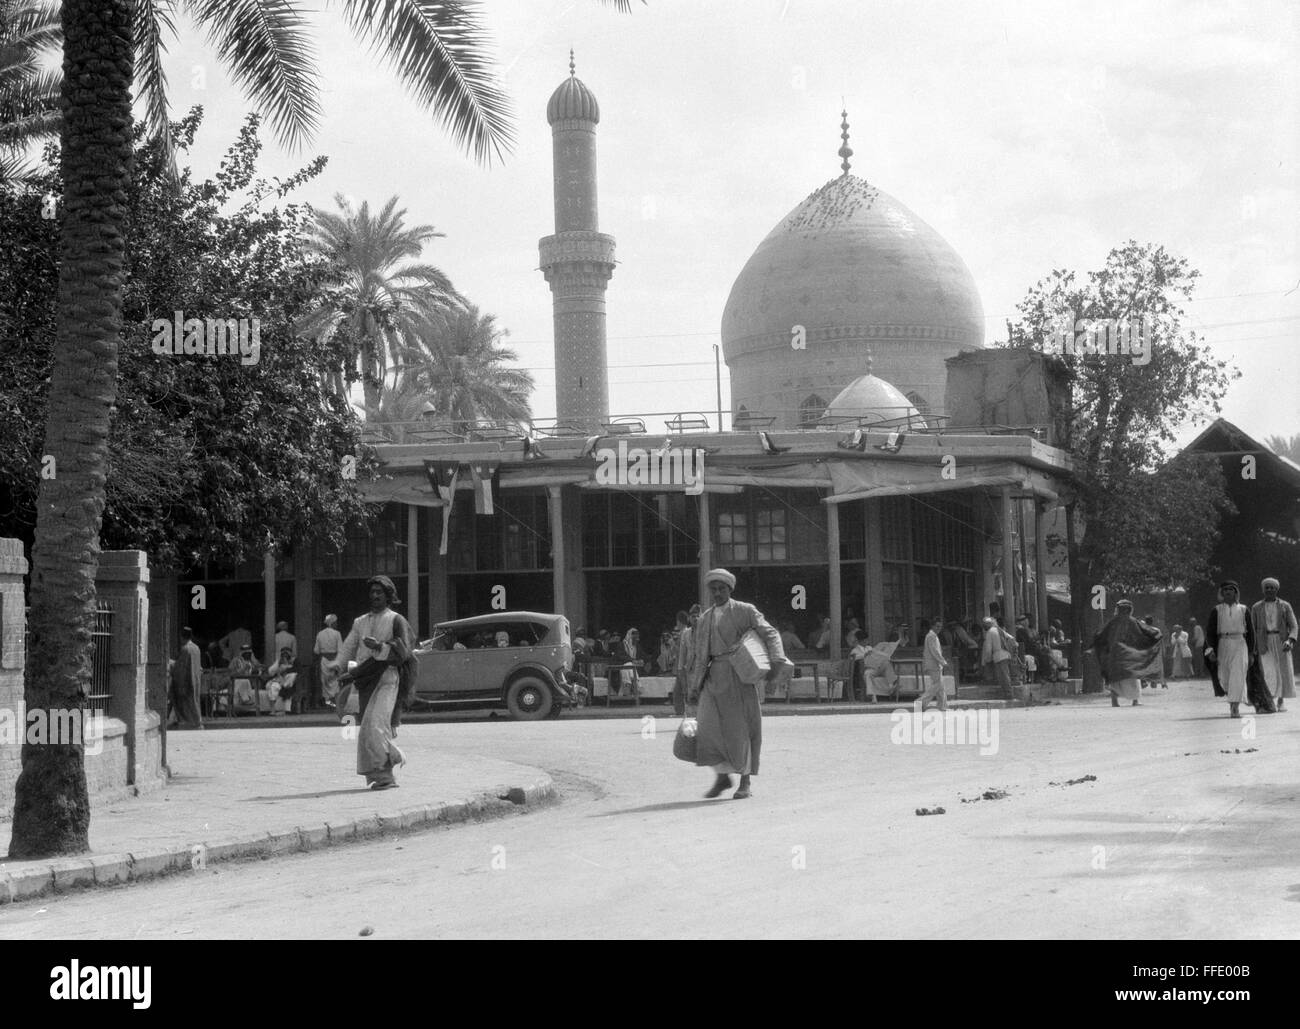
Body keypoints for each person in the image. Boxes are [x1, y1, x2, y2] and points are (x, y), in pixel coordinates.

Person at [686, 569, 785, 800]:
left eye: (722, 589)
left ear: (730, 589)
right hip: (713, 678)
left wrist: (776, 663)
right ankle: (722, 776)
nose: (718, 593)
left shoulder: (745, 611)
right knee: (708, 729)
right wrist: (694, 687)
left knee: (741, 730)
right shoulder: (704, 618)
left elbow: (770, 634)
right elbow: (701, 656)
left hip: (740, 674)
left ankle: (745, 781)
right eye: (714, 589)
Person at [333, 575, 418, 789]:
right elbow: (349, 646)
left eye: (380, 592)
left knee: (377, 725)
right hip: (365, 680)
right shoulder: (360, 622)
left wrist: (380, 646)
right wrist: (337, 665)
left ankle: (387, 774)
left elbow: (404, 651)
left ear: (388, 595)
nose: (375, 595)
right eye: (372, 592)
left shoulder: (396, 620)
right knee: (367, 729)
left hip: (388, 678)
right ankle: (377, 775)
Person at [1092, 600, 1161, 708]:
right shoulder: (1132, 621)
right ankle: (1135, 701)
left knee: (1116, 679)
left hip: (1114, 653)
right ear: (1129, 610)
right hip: (1128, 653)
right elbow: (1142, 633)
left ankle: (1114, 702)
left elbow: (1102, 634)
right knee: (1133, 675)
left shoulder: (1113, 621)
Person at [1204, 580, 1255, 719]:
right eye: (1225, 589)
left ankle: (1235, 706)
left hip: (1240, 643)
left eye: (1230, 589)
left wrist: (1251, 652)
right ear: (1222, 593)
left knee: (1238, 674)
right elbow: (1209, 632)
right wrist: (1210, 650)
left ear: (1235, 592)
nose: (1228, 592)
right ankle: (1232, 699)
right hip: (1223, 644)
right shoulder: (1217, 610)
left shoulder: (1244, 609)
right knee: (1225, 676)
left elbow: (1251, 632)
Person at [1251, 577, 1297, 712]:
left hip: (1281, 641)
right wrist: (1253, 646)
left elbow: (1294, 625)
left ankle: (1281, 700)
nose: (1269, 590)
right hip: (1264, 641)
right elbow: (1252, 628)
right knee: (1268, 670)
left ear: (1277, 589)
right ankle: (1269, 700)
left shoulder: (1285, 605)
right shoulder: (1256, 607)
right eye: (1267, 587)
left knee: (1283, 670)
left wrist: (1290, 640)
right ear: (1263, 590)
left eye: (1272, 587)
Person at [168, 627, 204, 729]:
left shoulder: (185, 649)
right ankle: (197, 721)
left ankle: (189, 722)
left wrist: (171, 664)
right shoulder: (196, 648)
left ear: (181, 637)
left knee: (187, 703)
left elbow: (180, 667)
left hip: (186, 681)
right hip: (195, 680)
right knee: (194, 701)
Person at [672, 604, 701, 716]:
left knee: (702, 698)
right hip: (689, 670)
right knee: (689, 697)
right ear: (689, 618)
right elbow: (682, 654)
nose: (696, 618)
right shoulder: (686, 633)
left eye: (698, 616)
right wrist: (680, 669)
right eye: (693, 616)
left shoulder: (706, 632)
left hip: (703, 670)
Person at [981, 616, 1015, 700]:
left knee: (1003, 676)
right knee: (1005, 675)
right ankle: (1007, 694)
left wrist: (987, 660)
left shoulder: (989, 632)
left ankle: (1009, 695)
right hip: (1006, 654)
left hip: (999, 656)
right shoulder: (999, 629)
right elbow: (1012, 639)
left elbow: (988, 649)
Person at [918, 618, 948, 711]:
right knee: (937, 685)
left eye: (940, 627)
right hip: (933, 664)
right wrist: (943, 662)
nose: (939, 628)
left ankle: (942, 706)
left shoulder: (933, 635)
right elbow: (934, 651)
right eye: (937, 626)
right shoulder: (931, 636)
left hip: (935, 664)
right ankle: (920, 702)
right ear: (932, 626)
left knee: (940, 686)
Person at [314, 614, 343, 709]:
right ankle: (335, 703)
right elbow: (341, 649)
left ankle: (328, 703)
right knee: (335, 681)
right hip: (334, 659)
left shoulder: (320, 634)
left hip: (324, 661)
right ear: (333, 623)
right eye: (336, 622)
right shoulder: (337, 633)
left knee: (325, 682)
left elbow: (316, 650)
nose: (337, 624)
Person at [228, 644, 263, 713]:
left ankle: (246, 700)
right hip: (237, 682)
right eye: (245, 652)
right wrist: (243, 669)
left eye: (249, 653)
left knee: (247, 681)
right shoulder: (235, 660)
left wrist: (255, 662)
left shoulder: (254, 661)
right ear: (241, 653)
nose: (247, 654)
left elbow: (260, 671)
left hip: (253, 683)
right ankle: (245, 699)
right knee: (244, 680)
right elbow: (231, 674)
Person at [265, 647, 297, 716]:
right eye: (283, 654)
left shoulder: (295, 661)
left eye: (287, 653)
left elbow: (296, 673)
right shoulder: (279, 661)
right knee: (273, 686)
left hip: (289, 683)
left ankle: (284, 710)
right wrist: (278, 663)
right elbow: (270, 672)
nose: (285, 655)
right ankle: (273, 710)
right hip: (279, 681)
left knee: (289, 681)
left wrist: (286, 668)